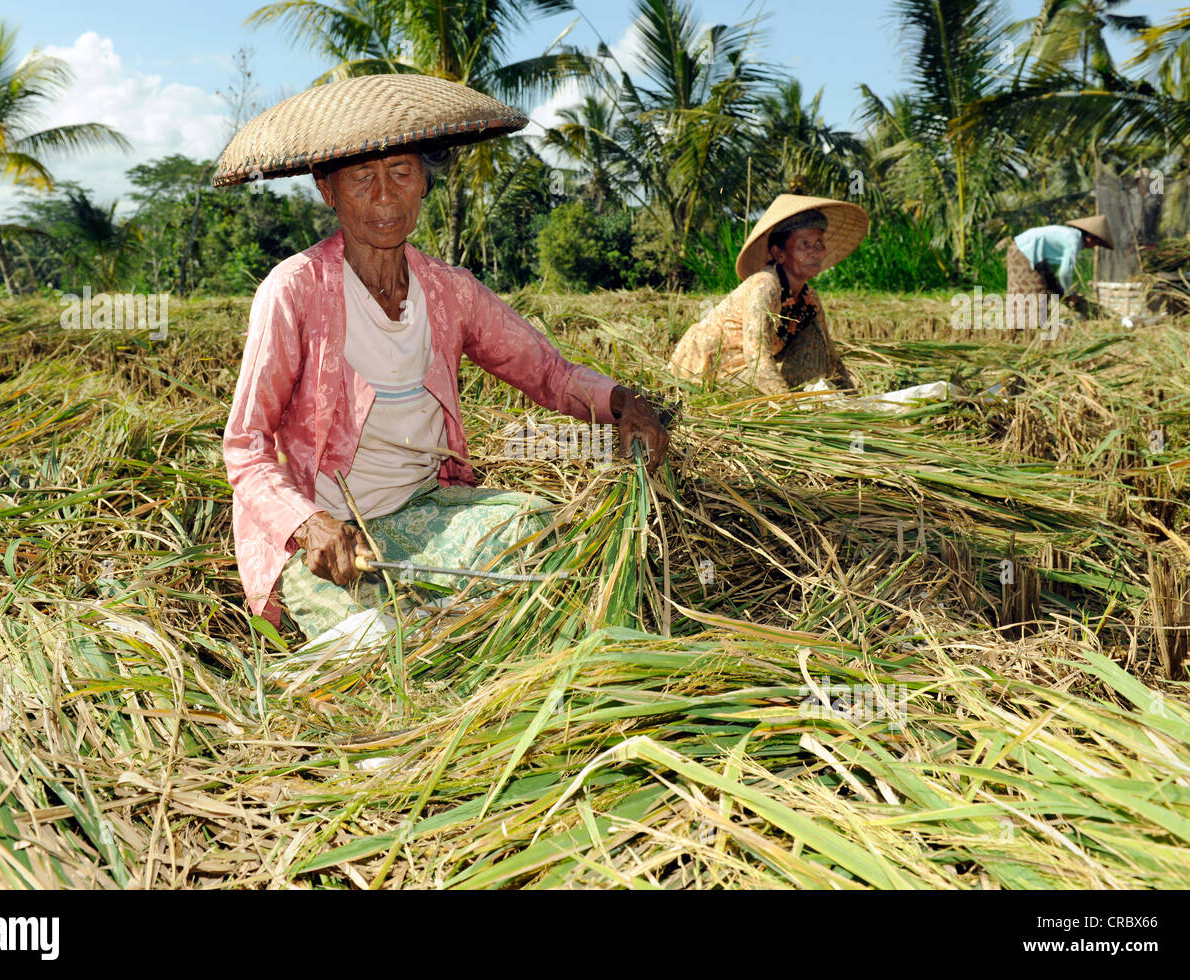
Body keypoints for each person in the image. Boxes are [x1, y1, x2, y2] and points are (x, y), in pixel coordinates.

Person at [217, 74, 669, 649]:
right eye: (361, 179)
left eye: (402, 173)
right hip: (327, 539)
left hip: (423, 509)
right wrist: (310, 525)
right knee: (378, 650)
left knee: (550, 540)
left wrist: (623, 403)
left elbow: (547, 373)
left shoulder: (449, 291)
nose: (385, 195)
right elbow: (245, 446)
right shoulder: (294, 291)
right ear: (328, 191)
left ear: (424, 183)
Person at [668, 194, 868, 396]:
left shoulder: (810, 298)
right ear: (779, 254)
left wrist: (855, 400)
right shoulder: (765, 287)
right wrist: (789, 409)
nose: (815, 252)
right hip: (713, 372)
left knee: (815, 335)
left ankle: (805, 399)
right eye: (804, 244)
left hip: (751, 370)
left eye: (818, 243)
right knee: (764, 390)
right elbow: (758, 361)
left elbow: (831, 356)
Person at [1003, 215, 1113, 326]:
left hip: (1036, 254)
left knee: (1054, 287)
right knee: (1035, 292)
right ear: (1091, 238)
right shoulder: (1073, 241)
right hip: (1025, 252)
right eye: (1096, 243)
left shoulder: (1072, 235)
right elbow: (1064, 273)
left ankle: (1089, 311)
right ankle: (1026, 330)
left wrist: (1065, 293)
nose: (1093, 247)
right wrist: (1069, 293)